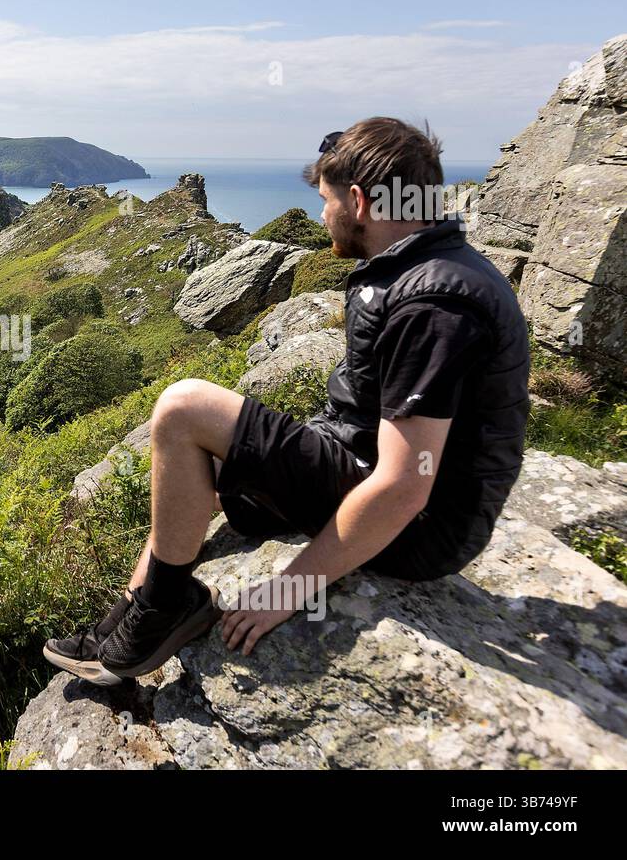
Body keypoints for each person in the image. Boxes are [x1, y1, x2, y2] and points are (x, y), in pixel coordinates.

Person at [43, 117, 530, 686]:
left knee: (182, 408)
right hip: (354, 460)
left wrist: (291, 586)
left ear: (359, 201)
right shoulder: (419, 268)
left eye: (325, 201)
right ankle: (137, 617)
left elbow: (404, 485)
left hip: (421, 529)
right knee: (187, 467)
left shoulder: (436, 301)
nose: (322, 216)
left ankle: (161, 610)